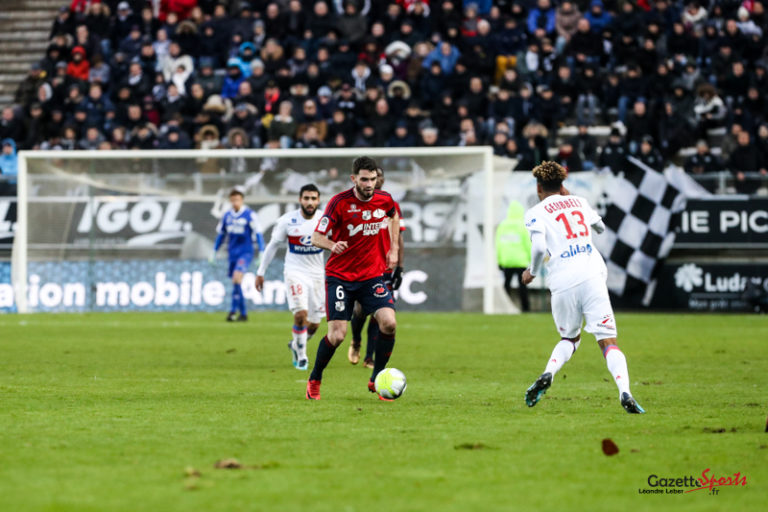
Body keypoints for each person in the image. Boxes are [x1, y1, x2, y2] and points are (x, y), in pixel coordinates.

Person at [521, 161, 644, 414]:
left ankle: (548, 372)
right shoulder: (579, 201)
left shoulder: (535, 212)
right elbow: (600, 227)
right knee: (608, 341)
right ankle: (625, 392)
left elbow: (539, 248)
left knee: (570, 338)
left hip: (563, 281)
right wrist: (571, 201)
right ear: (562, 184)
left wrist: (532, 272)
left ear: (538, 187)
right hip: (591, 276)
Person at [307, 156, 400, 400]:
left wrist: (394, 249)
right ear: (354, 179)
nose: (369, 184)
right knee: (337, 335)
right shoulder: (339, 203)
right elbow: (316, 237)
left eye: (373, 179)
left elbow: (393, 216)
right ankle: (315, 378)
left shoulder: (384, 199)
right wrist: (332, 244)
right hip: (340, 277)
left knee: (389, 323)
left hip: (371, 276)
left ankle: (377, 379)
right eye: (364, 179)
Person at [255, 184, 325, 371]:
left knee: (314, 324)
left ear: (318, 200)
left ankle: (295, 344)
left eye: (313, 198)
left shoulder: (325, 220)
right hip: (295, 272)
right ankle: (302, 356)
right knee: (300, 314)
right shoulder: (287, 221)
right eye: (306, 198)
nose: (310, 202)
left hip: (317, 275)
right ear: (300, 200)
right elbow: (272, 246)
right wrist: (261, 272)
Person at [348, 168, 405, 368]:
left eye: (379, 176)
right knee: (361, 310)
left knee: (380, 312)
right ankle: (356, 340)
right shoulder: (354, 203)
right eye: (372, 176)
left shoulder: (391, 204)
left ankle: (369, 356)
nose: (376, 180)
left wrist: (400, 266)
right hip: (364, 265)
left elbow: (399, 235)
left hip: (386, 267)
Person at [211, 187, 265, 322]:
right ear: (230, 201)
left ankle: (232, 311)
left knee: (236, 278)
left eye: (238, 200)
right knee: (236, 282)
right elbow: (221, 235)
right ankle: (243, 313)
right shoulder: (227, 216)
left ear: (242, 200)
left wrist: (262, 251)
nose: (235, 202)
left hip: (245, 252)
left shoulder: (249, 215)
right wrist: (214, 251)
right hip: (232, 253)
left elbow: (258, 233)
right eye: (233, 200)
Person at [496, 201, 532, 311]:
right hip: (520, 261)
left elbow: (498, 244)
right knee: (522, 286)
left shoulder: (502, 225)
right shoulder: (522, 225)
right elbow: (528, 243)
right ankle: (525, 309)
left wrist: (500, 260)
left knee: (506, 285)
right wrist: (531, 258)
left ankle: (504, 307)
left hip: (507, 261)